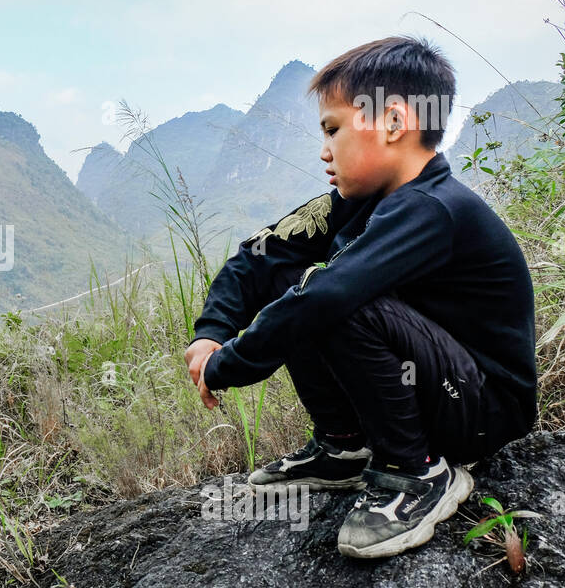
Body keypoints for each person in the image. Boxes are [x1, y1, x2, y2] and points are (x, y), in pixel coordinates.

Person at [184, 35, 537, 558]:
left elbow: (329, 297)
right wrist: (211, 332)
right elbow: (260, 255)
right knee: (298, 281)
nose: (324, 150)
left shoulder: (433, 209)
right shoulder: (354, 204)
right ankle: (344, 447)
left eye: (333, 129)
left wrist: (229, 365)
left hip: (479, 406)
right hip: (434, 387)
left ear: (394, 123)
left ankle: (415, 473)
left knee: (332, 295)